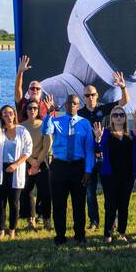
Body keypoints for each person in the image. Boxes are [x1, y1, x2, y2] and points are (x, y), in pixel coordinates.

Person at [79, 71, 131, 233]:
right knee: (90, 191)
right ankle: (94, 221)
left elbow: (123, 102)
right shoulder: (80, 113)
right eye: (87, 95)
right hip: (88, 158)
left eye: (92, 94)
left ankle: (112, 221)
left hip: (105, 158)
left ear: (97, 95)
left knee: (111, 192)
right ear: (84, 97)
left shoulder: (105, 108)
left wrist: (123, 87)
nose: (90, 97)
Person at [43, 94, 96, 245]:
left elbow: (89, 149)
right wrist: (48, 113)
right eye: (69, 103)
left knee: (79, 203)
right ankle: (60, 235)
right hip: (59, 166)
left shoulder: (85, 123)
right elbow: (45, 131)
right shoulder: (56, 120)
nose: (72, 105)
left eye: (75, 103)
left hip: (78, 167)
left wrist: (88, 170)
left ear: (78, 106)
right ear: (65, 105)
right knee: (59, 203)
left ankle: (80, 235)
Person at [94, 105, 136, 243]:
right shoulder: (105, 134)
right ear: (111, 118)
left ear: (125, 118)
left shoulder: (131, 135)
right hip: (109, 176)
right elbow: (98, 153)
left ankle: (121, 233)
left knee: (123, 205)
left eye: (121, 114)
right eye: (115, 115)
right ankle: (108, 234)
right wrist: (97, 139)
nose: (119, 117)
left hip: (127, 176)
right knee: (110, 205)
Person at [0, 105, 32, 239]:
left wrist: (16, 164)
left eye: (10, 113)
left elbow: (28, 150)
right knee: (1, 202)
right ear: (1, 116)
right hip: (0, 169)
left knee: (14, 203)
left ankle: (12, 230)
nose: (8, 116)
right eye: (5, 114)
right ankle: (1, 230)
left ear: (14, 115)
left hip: (16, 169)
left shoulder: (22, 130)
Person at [19, 99, 52, 229]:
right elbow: (20, 147)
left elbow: (47, 145)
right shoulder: (21, 127)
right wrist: (31, 161)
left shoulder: (44, 124)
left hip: (42, 162)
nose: (32, 110)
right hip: (26, 162)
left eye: (35, 108)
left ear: (38, 110)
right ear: (25, 111)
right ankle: (30, 220)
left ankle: (46, 220)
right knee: (27, 192)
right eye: (29, 108)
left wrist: (37, 162)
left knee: (45, 192)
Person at [14, 55, 54, 119]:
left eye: (38, 89)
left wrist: (50, 111)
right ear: (28, 92)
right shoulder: (22, 103)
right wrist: (20, 72)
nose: (35, 90)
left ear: (41, 92)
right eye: (32, 88)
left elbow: (53, 124)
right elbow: (17, 89)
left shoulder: (47, 106)